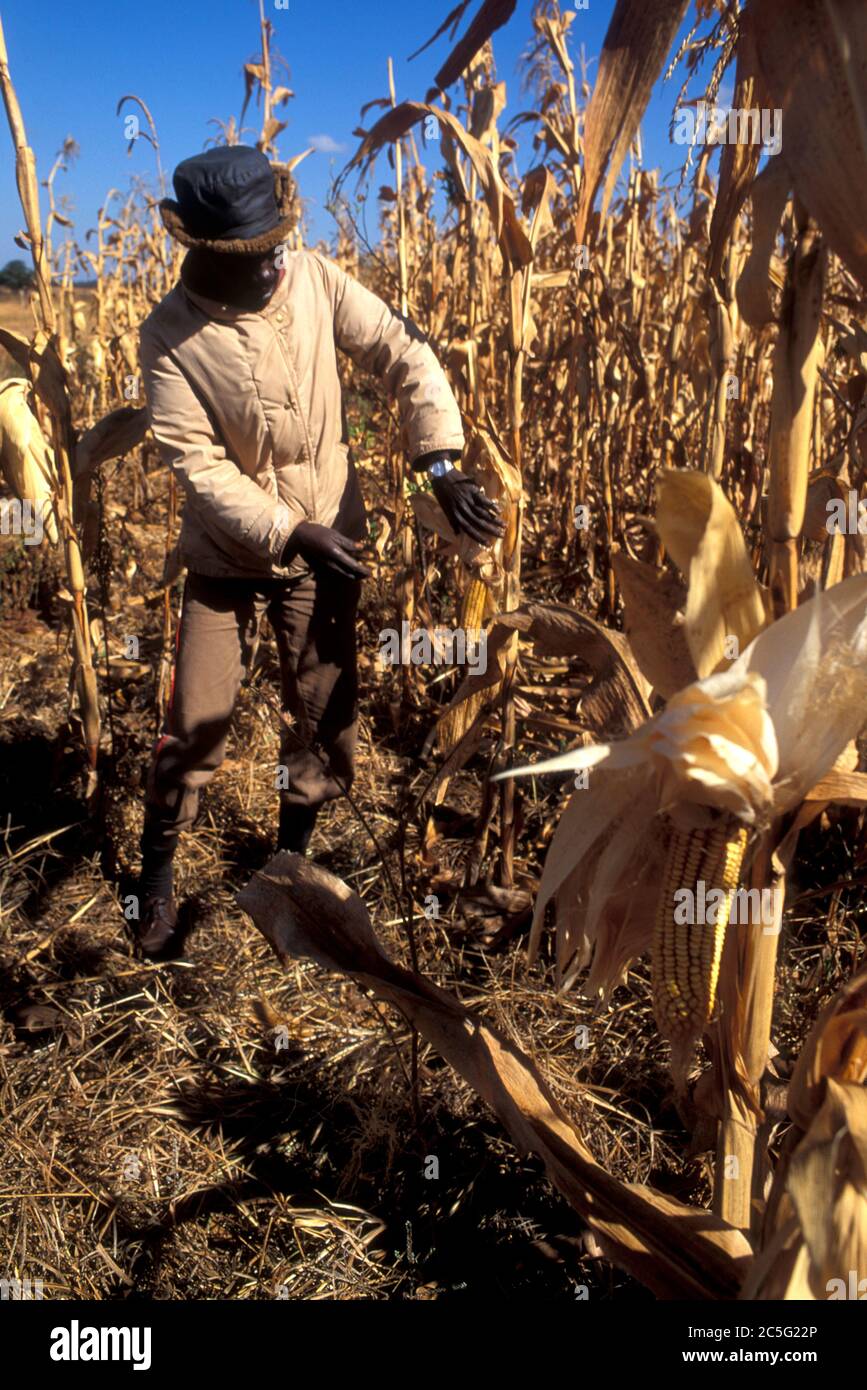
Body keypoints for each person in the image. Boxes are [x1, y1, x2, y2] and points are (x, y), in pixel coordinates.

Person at [133, 144, 504, 955]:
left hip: (326, 543)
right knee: (196, 722)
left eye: (275, 247)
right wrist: (286, 529)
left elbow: (403, 350)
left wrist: (436, 460)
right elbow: (197, 467)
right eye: (254, 256)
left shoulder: (311, 278)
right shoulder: (167, 337)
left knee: (324, 716)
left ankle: (288, 869)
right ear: (205, 252)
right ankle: (154, 883)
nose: (273, 266)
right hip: (227, 560)